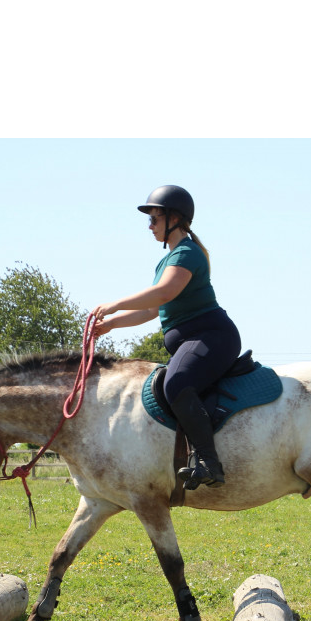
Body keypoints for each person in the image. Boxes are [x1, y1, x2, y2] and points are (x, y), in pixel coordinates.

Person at [92, 185, 241, 490]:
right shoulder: (170, 258)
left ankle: (208, 462)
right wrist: (110, 324)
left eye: (154, 218)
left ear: (174, 218)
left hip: (212, 337)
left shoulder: (187, 253)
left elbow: (164, 292)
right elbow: (152, 310)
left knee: (176, 383)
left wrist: (115, 303)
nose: (150, 226)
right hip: (195, 339)